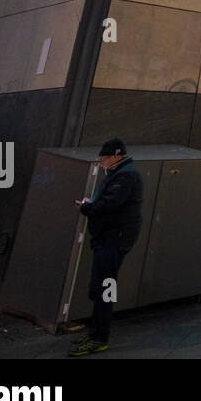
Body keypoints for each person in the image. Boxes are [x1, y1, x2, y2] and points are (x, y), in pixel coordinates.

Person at [70, 139, 143, 356]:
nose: (101, 162)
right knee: (101, 288)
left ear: (116, 156)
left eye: (104, 158)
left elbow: (110, 204)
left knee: (103, 289)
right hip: (110, 238)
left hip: (114, 240)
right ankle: (96, 332)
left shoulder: (125, 174)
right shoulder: (119, 172)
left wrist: (86, 208)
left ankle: (99, 337)